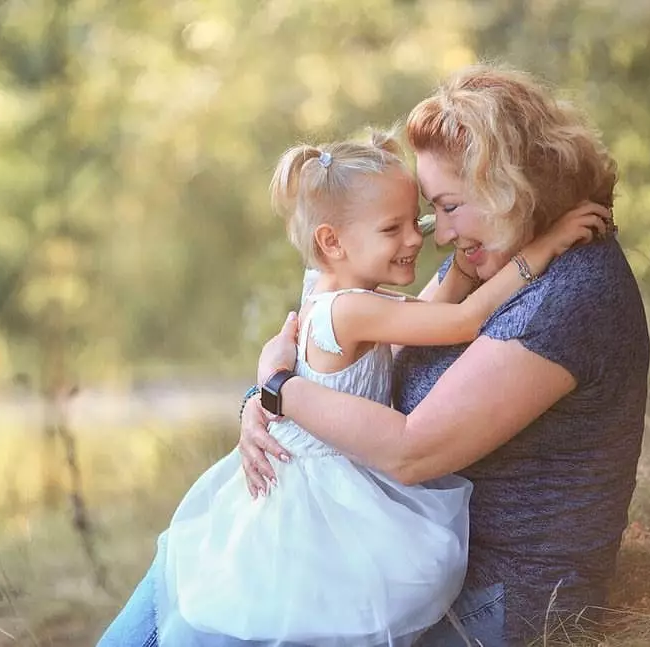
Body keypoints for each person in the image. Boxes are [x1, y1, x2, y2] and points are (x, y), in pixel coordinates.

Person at [96, 124, 610, 647]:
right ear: (332, 241)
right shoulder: (351, 310)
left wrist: (460, 260)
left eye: (420, 220)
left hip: (310, 476)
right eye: (393, 229)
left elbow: (421, 316)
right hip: (321, 496)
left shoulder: (330, 289)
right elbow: (459, 322)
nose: (416, 238)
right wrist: (542, 249)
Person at [239, 64, 650, 646]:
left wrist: (278, 389)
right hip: (395, 553)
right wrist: (260, 399)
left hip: (499, 596)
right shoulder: (493, 257)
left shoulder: (567, 294)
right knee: (184, 598)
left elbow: (410, 451)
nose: (439, 235)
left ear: (509, 184)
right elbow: (376, 349)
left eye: (449, 207)